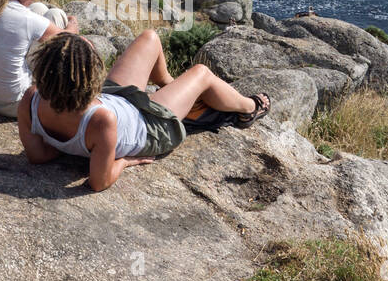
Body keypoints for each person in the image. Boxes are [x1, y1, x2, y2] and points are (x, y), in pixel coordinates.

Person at [18, 28, 269, 192]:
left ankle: (171, 89)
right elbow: (99, 182)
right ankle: (249, 108)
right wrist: (125, 161)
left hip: (112, 100)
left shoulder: (30, 100)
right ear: (85, 78)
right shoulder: (100, 120)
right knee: (201, 73)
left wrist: (66, 146)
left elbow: (37, 156)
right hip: (150, 125)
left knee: (149, 38)